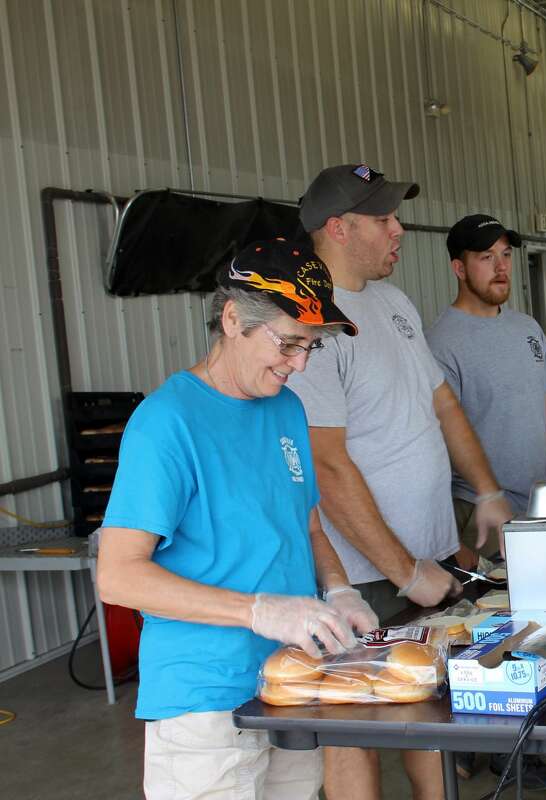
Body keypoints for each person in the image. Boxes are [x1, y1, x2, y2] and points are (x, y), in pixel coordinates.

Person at [96, 239, 379, 800]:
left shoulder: (286, 407)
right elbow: (118, 576)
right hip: (205, 703)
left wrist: (340, 589)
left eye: (312, 347)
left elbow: (307, 525)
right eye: (289, 343)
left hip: (290, 683)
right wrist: (257, 610)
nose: (300, 364)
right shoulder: (166, 423)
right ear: (232, 320)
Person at [287, 164, 513, 800]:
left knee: (428, 701)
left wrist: (487, 491)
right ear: (338, 228)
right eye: (383, 219)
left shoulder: (394, 303)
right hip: (362, 576)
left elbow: (442, 403)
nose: (399, 230)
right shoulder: (309, 321)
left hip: (427, 558)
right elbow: (325, 465)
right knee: (351, 724)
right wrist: (404, 572)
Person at [426, 213, 546, 789]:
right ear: (457, 267)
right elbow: (447, 432)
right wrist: (473, 515)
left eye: (505, 255)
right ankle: (486, 744)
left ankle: (511, 745)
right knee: (486, 633)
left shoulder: (527, 328)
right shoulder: (441, 341)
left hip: (535, 507)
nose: (500, 267)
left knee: (535, 629)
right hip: (479, 511)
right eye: (485, 257)